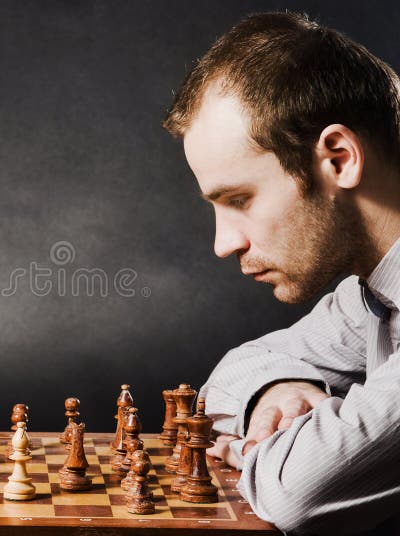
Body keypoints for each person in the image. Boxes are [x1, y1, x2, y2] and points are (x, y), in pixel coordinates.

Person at [162, 12, 400, 536]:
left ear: (339, 160)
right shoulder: (371, 295)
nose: (223, 244)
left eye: (239, 199)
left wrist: (250, 449)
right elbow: (230, 373)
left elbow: (298, 491)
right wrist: (274, 392)